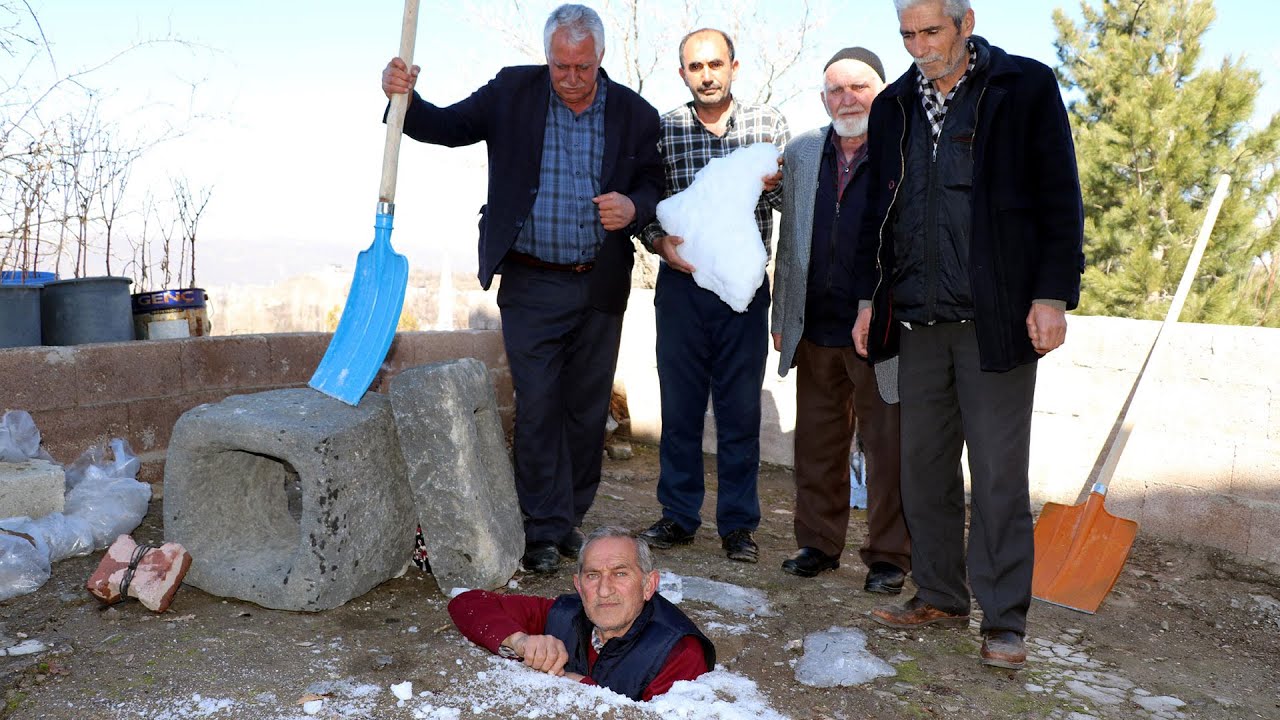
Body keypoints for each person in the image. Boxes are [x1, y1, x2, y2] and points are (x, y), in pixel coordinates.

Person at [380, 5, 664, 574]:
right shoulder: (514, 91)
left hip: (600, 284)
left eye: (583, 66)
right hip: (531, 281)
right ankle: (540, 527)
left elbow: (657, 185)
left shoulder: (636, 113)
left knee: (586, 413)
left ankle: (569, 520)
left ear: (600, 58)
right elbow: (443, 127)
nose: (572, 77)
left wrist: (634, 206)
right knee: (538, 406)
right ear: (547, 58)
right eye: (561, 65)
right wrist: (400, 98)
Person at [852, 0, 1085, 670]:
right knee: (922, 471)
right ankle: (942, 596)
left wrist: (1050, 296)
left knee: (998, 477)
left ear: (966, 23)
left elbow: (1058, 197)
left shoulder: (1024, 86)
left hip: (996, 319)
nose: (920, 46)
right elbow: (878, 213)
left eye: (932, 31)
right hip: (917, 318)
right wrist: (871, 300)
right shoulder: (893, 103)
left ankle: (1004, 619)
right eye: (907, 34)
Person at [637, 28, 789, 564]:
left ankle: (738, 526)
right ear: (682, 73)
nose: (706, 75)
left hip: (743, 293)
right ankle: (678, 516)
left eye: (715, 64)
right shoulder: (665, 128)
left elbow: (790, 206)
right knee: (678, 407)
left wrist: (777, 187)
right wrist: (658, 243)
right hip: (681, 285)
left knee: (739, 410)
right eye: (695, 66)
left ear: (733, 67)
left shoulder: (766, 125)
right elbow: (645, 209)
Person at [770, 48, 911, 594]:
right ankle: (818, 544)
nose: (847, 98)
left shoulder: (903, 148)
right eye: (835, 90)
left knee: (887, 447)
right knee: (818, 443)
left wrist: (882, 307)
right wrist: (784, 314)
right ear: (823, 97)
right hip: (814, 325)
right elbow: (789, 244)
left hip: (879, 327)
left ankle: (888, 557)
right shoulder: (804, 151)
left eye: (859, 87)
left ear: (882, 90)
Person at [447, 526, 715, 701]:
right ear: (578, 585)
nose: (604, 589)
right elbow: (467, 603)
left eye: (620, 573)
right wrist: (520, 641)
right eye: (593, 575)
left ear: (648, 585)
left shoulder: (679, 652)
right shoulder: (566, 613)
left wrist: (582, 688)